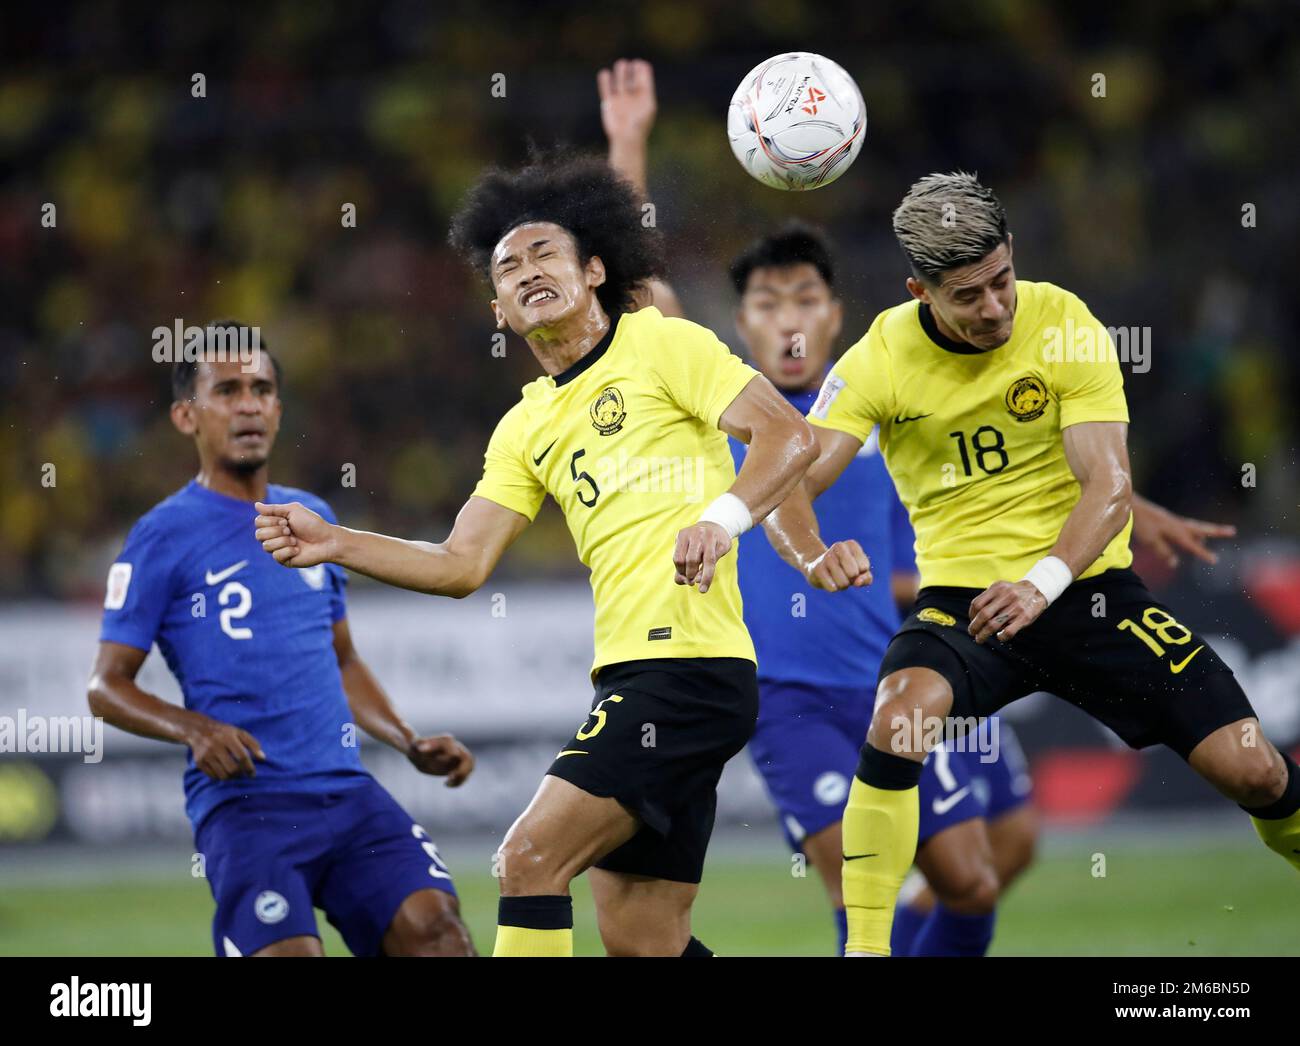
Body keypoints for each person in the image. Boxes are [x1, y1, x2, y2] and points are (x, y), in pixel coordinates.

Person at [250, 156, 858, 956]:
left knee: (528, 860)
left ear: (595, 271)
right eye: (509, 267)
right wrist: (336, 543)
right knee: (644, 939)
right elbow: (461, 564)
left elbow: (789, 435)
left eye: (546, 254)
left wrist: (721, 518)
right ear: (499, 310)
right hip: (634, 676)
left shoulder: (661, 343)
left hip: (691, 671)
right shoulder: (526, 426)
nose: (528, 270)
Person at [764, 171, 1299, 956]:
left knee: (1253, 771)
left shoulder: (1064, 324)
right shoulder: (879, 357)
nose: (993, 308)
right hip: (963, 605)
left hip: (1085, 590)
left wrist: (1040, 584)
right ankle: (868, 951)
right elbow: (788, 485)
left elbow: (1110, 488)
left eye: (1000, 281)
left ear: (1012, 255)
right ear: (920, 290)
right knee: (899, 714)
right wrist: (811, 555)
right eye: (966, 295)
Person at [88, 326, 476, 956]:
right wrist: (196, 730)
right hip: (248, 805)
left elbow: (342, 657)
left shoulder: (309, 517)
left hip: (345, 791)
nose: (248, 404)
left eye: (262, 389)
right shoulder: (161, 536)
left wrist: (406, 740)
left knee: (437, 932)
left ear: (277, 410)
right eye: (229, 390)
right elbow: (106, 687)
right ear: (186, 415)